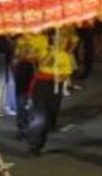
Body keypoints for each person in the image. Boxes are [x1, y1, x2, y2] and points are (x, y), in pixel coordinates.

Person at [26, 27, 77, 156]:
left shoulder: (65, 56)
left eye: (62, 40)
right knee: (40, 116)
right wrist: (49, 54)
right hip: (42, 84)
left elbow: (67, 73)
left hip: (55, 85)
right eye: (57, 39)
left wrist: (60, 78)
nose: (60, 41)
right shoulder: (45, 51)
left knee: (50, 115)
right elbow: (34, 59)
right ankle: (34, 143)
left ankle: (40, 140)